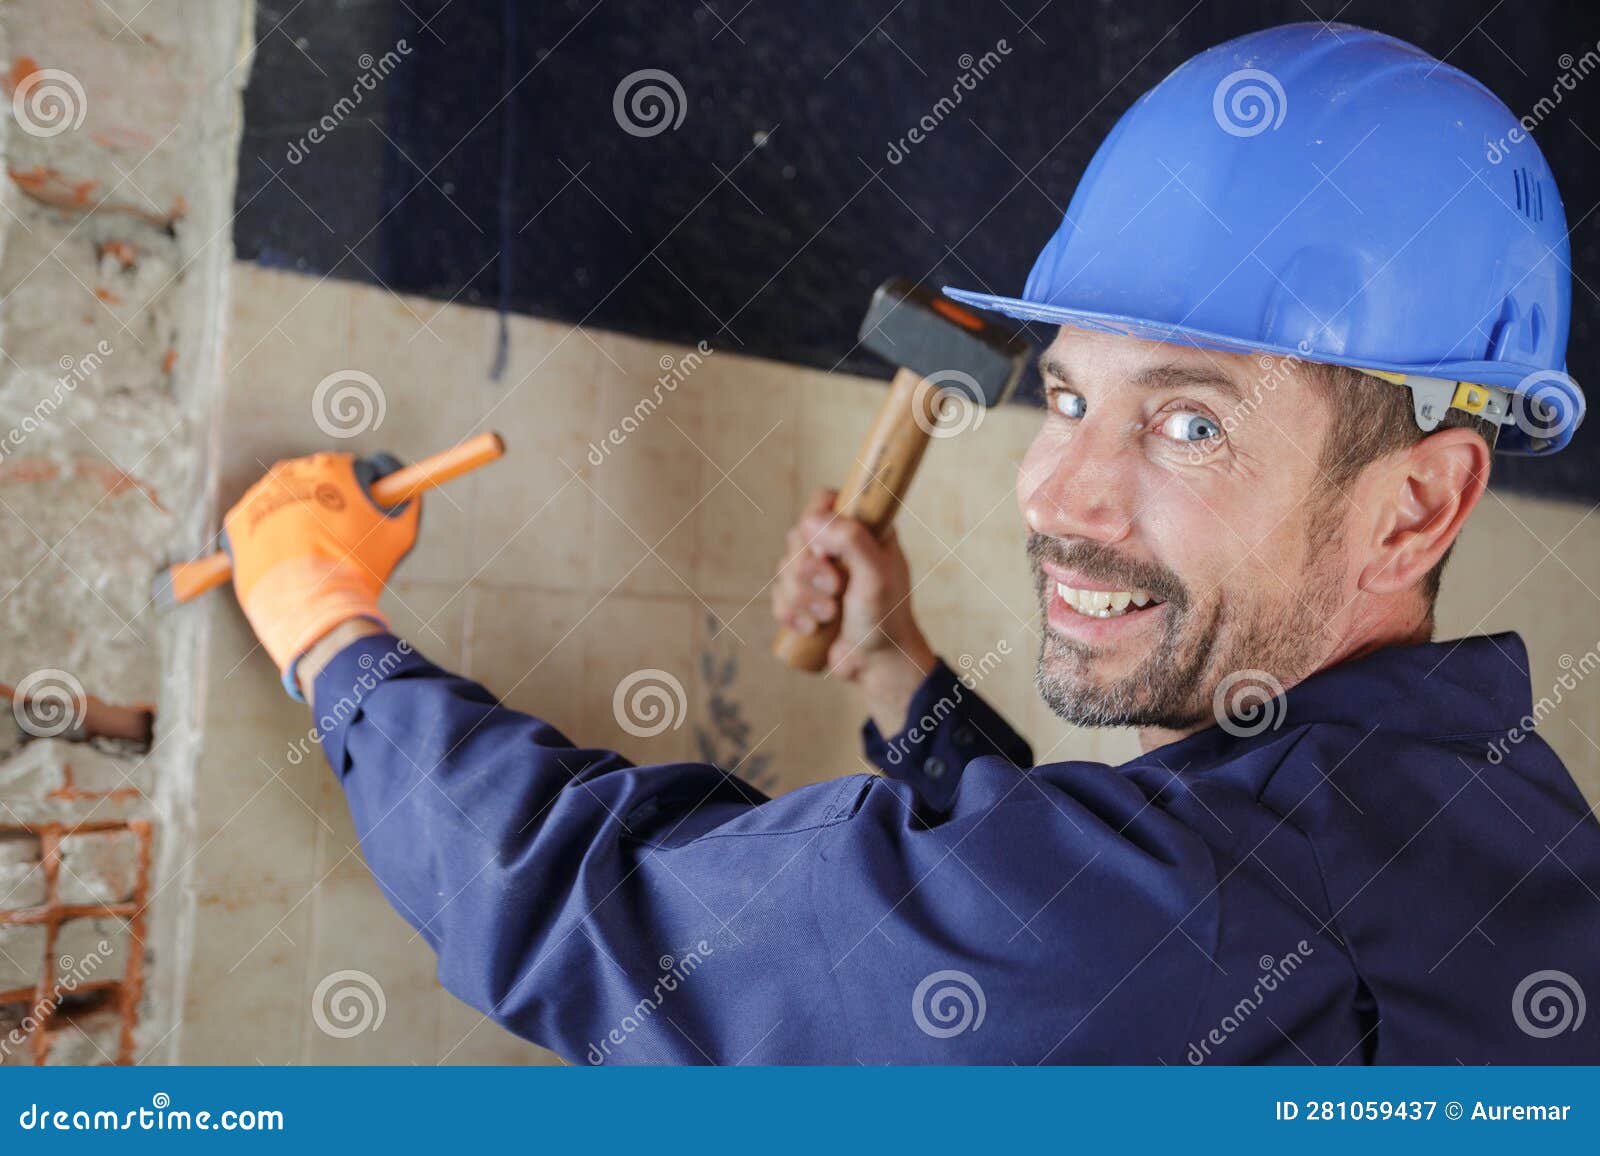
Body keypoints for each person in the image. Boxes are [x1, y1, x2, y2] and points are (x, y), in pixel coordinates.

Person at [224, 24, 1597, 1063]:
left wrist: (331, 637)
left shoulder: (1215, 910)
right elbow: (1083, 900)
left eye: (1188, 425)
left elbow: (626, 921)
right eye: (1065, 395)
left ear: (1415, 505)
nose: (1061, 496)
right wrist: (901, 674)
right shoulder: (1489, 813)